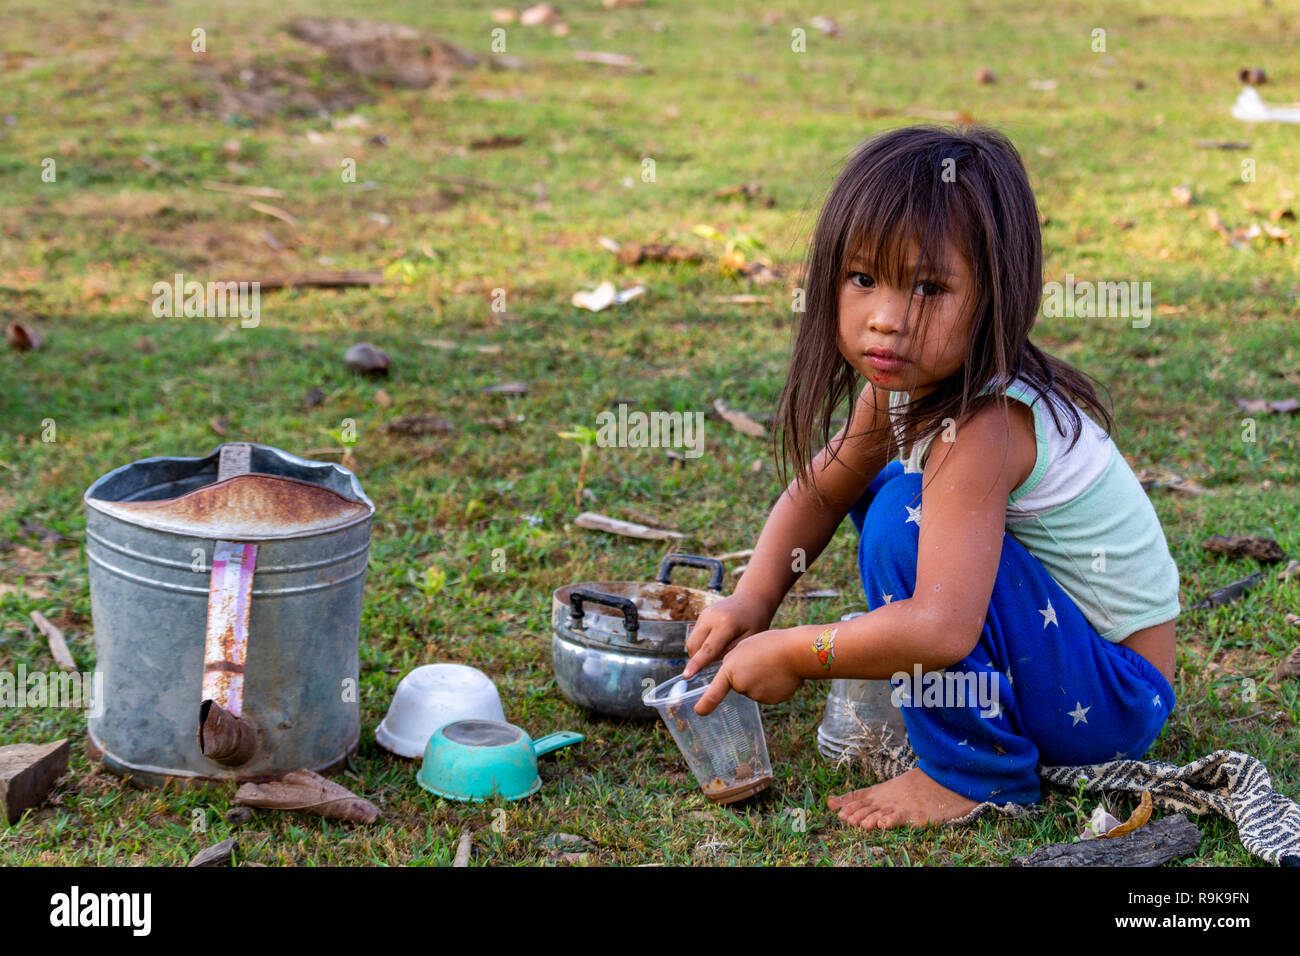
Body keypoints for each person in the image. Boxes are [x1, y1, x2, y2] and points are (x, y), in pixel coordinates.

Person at [682, 124, 1180, 830]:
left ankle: (973, 774)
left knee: (898, 523)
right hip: (1072, 660)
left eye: (929, 287)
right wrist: (749, 605)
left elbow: (944, 629)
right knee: (882, 494)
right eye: (863, 278)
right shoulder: (902, 388)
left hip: (1111, 700)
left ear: (995, 297)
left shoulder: (986, 426)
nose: (886, 320)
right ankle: (971, 718)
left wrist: (797, 651)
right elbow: (822, 488)